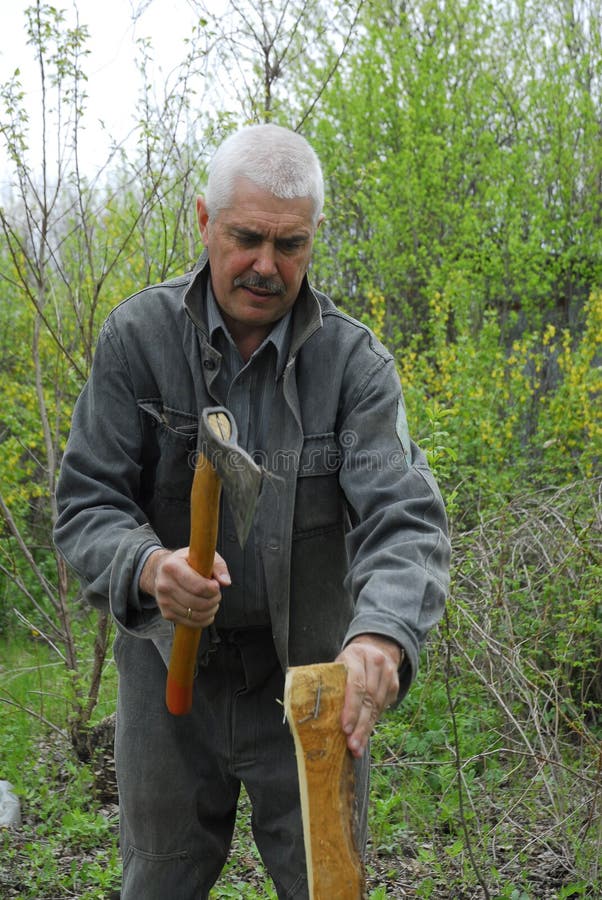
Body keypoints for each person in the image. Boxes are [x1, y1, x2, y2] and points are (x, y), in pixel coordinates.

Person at [54, 123, 451, 900]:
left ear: (314, 240)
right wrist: (147, 568)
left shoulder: (355, 365)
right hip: (170, 685)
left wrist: (381, 636)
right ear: (202, 221)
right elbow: (86, 502)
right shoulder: (136, 340)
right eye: (245, 238)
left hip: (309, 687)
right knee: (158, 885)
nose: (266, 265)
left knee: (327, 885)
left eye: (290, 245)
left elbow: (404, 519)